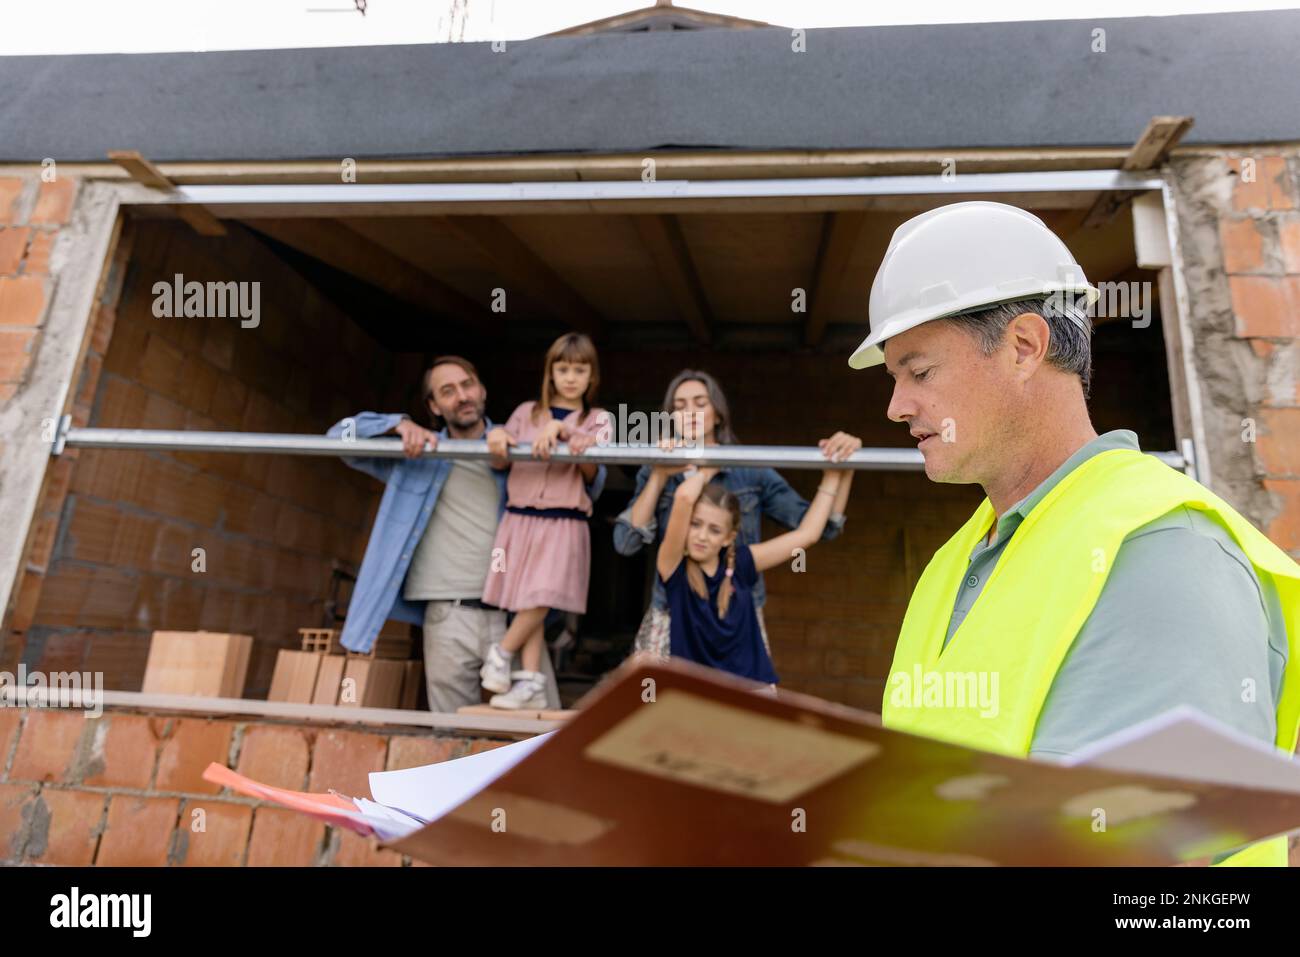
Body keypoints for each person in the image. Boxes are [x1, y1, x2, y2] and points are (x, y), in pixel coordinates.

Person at [850, 200, 1300, 866]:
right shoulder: (954, 564)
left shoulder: (1162, 551)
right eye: (895, 378)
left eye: (918, 372)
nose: (897, 405)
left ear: (1025, 348)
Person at [326, 356, 594, 712]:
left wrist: (557, 439)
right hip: (446, 614)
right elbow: (336, 437)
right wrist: (396, 425)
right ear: (434, 406)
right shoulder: (417, 451)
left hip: (514, 615)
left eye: (467, 385)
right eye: (448, 391)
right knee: (453, 734)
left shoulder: (515, 444)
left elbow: (592, 480)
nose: (462, 396)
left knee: (537, 734)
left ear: (482, 390)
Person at [614, 369, 860, 658]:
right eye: (679, 407)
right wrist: (657, 475)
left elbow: (820, 528)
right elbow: (626, 542)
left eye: (700, 403)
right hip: (673, 611)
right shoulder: (658, 468)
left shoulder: (749, 469)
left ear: (718, 414)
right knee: (667, 702)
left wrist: (845, 468)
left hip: (734, 614)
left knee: (730, 702)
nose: (690, 412)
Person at [480, 333, 613, 709]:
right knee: (527, 599)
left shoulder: (599, 420)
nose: (571, 377)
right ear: (551, 372)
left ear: (592, 376)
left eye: (580, 369)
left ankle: (502, 654)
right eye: (563, 368)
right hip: (519, 518)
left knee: (543, 594)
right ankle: (532, 680)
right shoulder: (526, 412)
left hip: (563, 520)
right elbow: (500, 462)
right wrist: (498, 435)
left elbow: (590, 473)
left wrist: (567, 433)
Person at [656, 465, 851, 686]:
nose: (702, 536)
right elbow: (683, 497)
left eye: (715, 530)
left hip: (750, 692)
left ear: (729, 538)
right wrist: (707, 470)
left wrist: (833, 475)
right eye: (695, 524)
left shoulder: (742, 563)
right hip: (697, 697)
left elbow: (808, 534)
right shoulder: (673, 567)